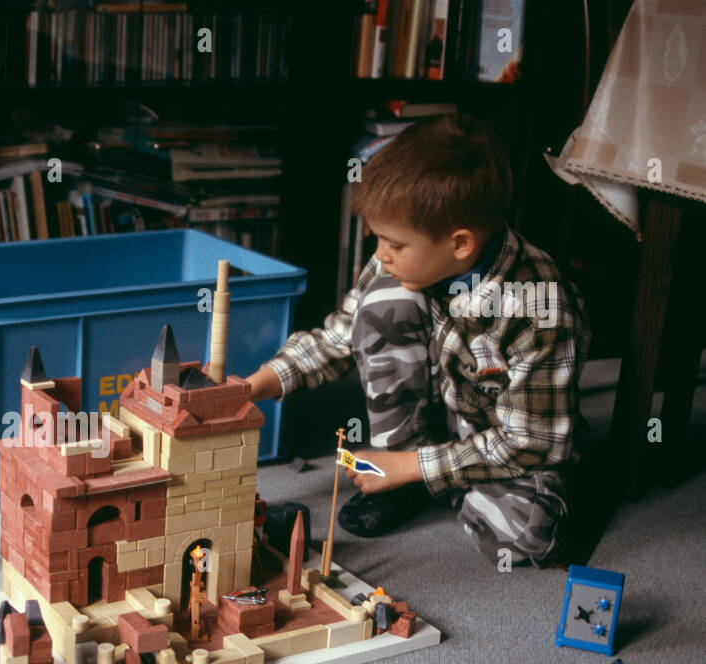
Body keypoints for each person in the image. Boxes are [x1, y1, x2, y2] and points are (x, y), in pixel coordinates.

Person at [246, 114, 589, 567]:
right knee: (382, 299)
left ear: (460, 244)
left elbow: (532, 442)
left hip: (500, 433)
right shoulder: (401, 261)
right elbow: (339, 335)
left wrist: (416, 468)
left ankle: (420, 476)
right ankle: (412, 473)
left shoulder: (541, 309)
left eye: (394, 244)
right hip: (434, 414)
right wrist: (253, 386)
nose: (381, 254)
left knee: (527, 537)